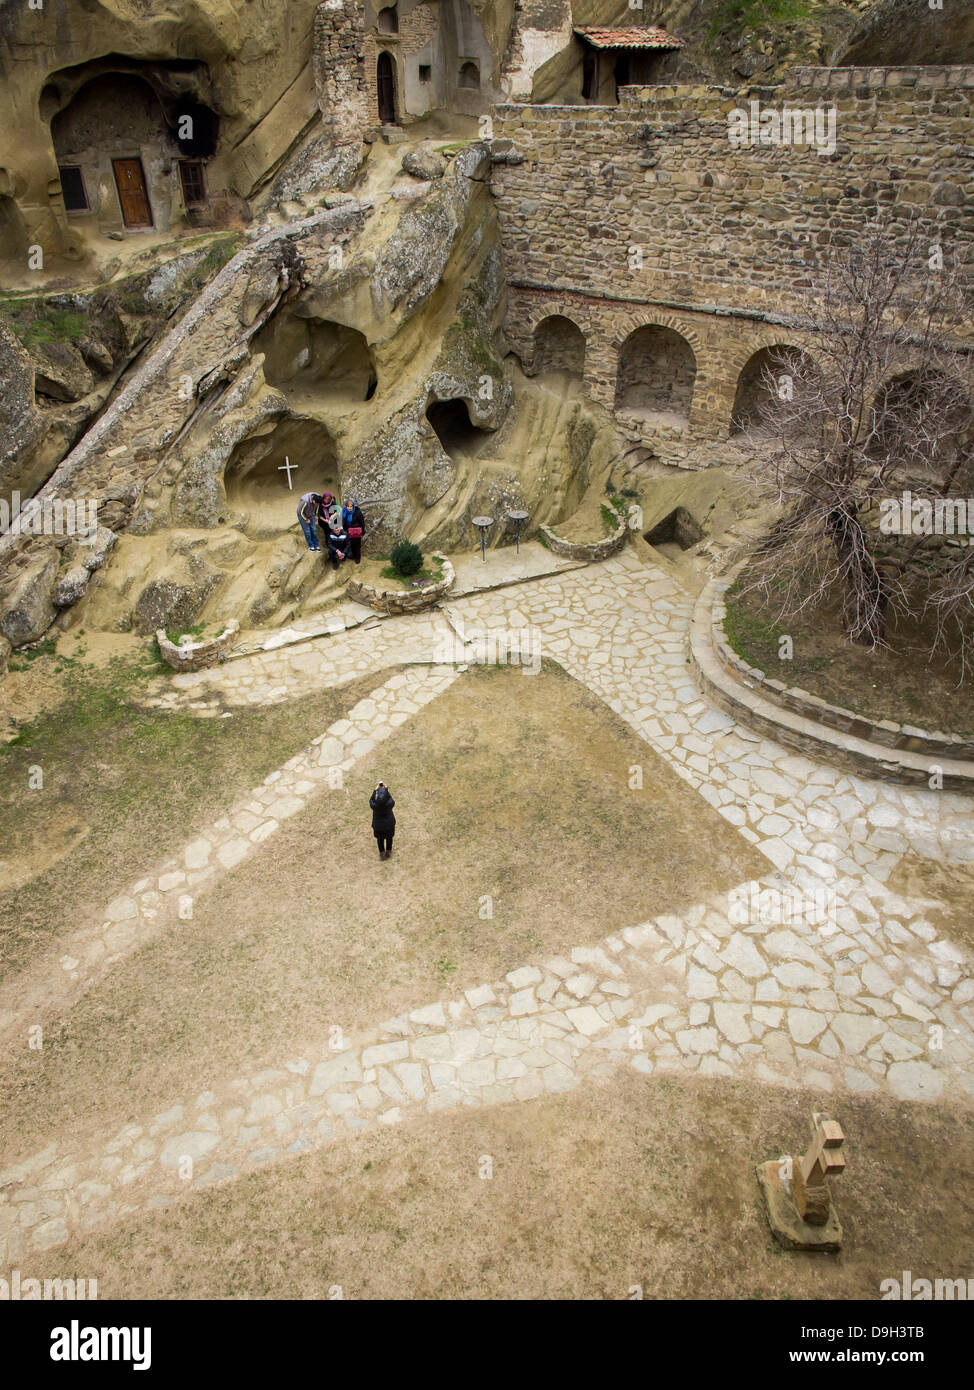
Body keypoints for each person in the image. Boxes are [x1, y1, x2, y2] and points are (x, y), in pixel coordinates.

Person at [370, 782, 396, 859]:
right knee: (389, 838)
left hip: (378, 826)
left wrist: (375, 791)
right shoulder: (390, 803)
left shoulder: (374, 805)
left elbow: (371, 800)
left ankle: (382, 853)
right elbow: (391, 798)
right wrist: (386, 790)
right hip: (389, 824)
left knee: (380, 839)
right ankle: (388, 851)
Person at [343, 497, 366, 564]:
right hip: (348, 531)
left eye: (351, 506)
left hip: (356, 532)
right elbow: (344, 522)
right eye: (348, 506)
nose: (349, 508)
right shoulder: (345, 512)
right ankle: (353, 556)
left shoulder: (358, 512)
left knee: (357, 545)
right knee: (351, 544)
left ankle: (357, 558)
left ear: (353, 506)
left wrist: (362, 531)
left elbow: (362, 522)